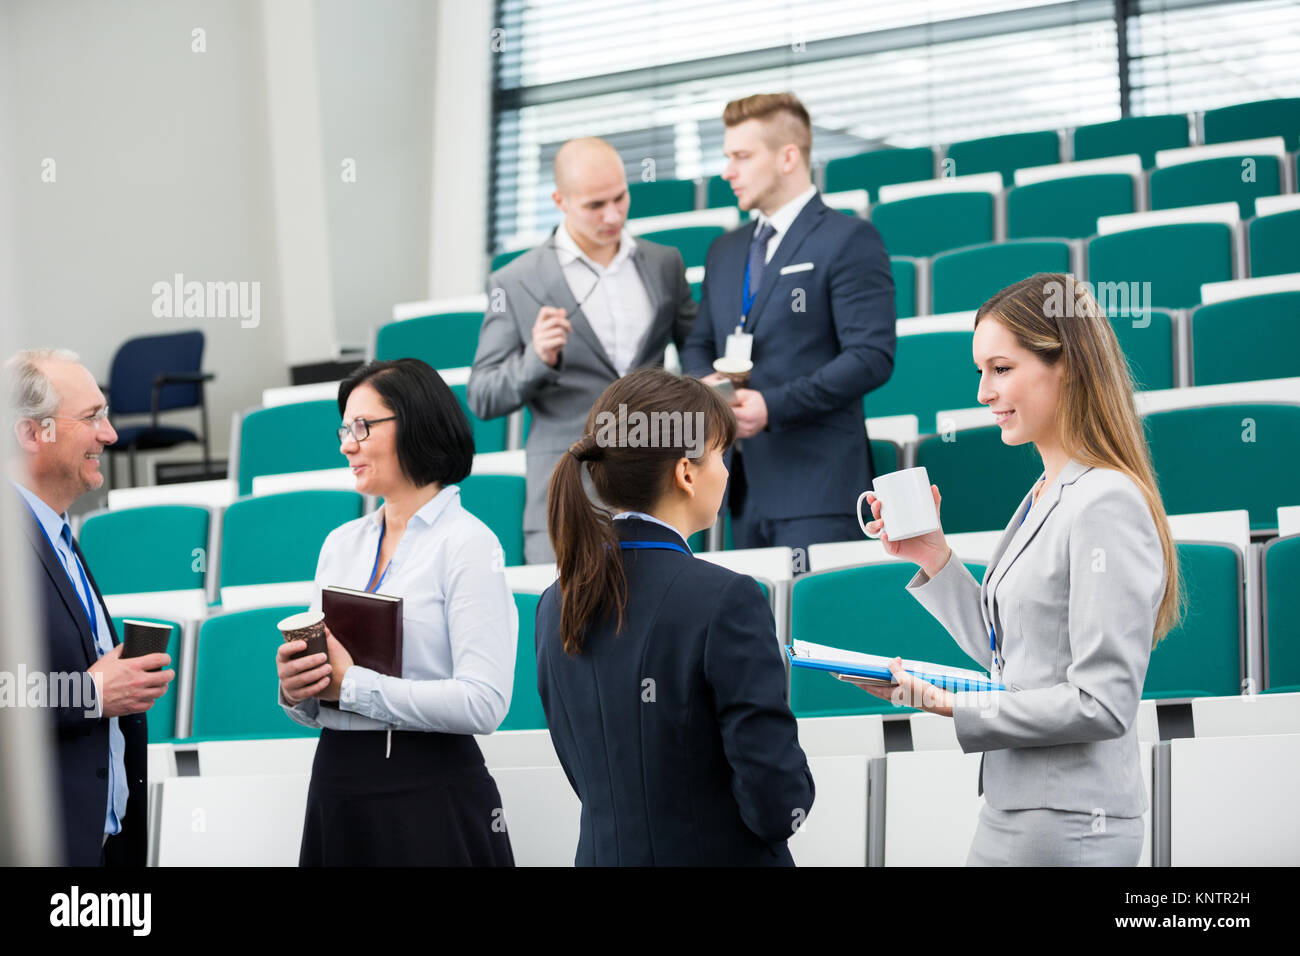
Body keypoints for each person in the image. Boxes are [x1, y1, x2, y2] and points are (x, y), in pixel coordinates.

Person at [858, 274, 1182, 866]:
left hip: (1070, 823)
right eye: (981, 371)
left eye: (1001, 369)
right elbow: (1017, 655)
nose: (983, 392)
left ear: (1068, 367)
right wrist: (933, 555)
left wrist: (954, 704)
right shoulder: (1047, 490)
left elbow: (1103, 704)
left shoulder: (1104, 500)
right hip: (1018, 809)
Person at [535, 367, 814, 865]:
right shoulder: (727, 598)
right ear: (685, 473)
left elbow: (586, 773)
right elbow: (777, 802)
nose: (726, 472)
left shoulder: (554, 600)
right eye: (721, 456)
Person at [275, 358, 517, 866]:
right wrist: (298, 689)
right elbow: (322, 695)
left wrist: (352, 686)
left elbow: (484, 702)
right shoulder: (339, 544)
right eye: (344, 429)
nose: (347, 444)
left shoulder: (469, 544)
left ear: (416, 423)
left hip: (427, 790)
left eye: (362, 426)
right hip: (337, 782)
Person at [680, 92, 896, 555]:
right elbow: (697, 342)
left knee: (808, 626)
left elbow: (870, 358)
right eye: (727, 157)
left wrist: (772, 406)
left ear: (788, 157)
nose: (727, 171)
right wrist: (709, 385)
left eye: (741, 156)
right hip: (737, 490)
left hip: (817, 487)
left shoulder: (849, 238)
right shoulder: (725, 250)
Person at [468, 137, 698, 564]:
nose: (613, 216)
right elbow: (483, 394)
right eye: (595, 205)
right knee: (570, 629)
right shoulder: (514, 280)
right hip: (568, 496)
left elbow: (698, 354)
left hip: (654, 489)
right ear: (559, 200)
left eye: (620, 198)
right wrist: (537, 357)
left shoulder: (664, 263)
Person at [6, 348, 173, 866]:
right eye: (91, 418)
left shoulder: (57, 531)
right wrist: (92, 692)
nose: (111, 435)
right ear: (32, 434)